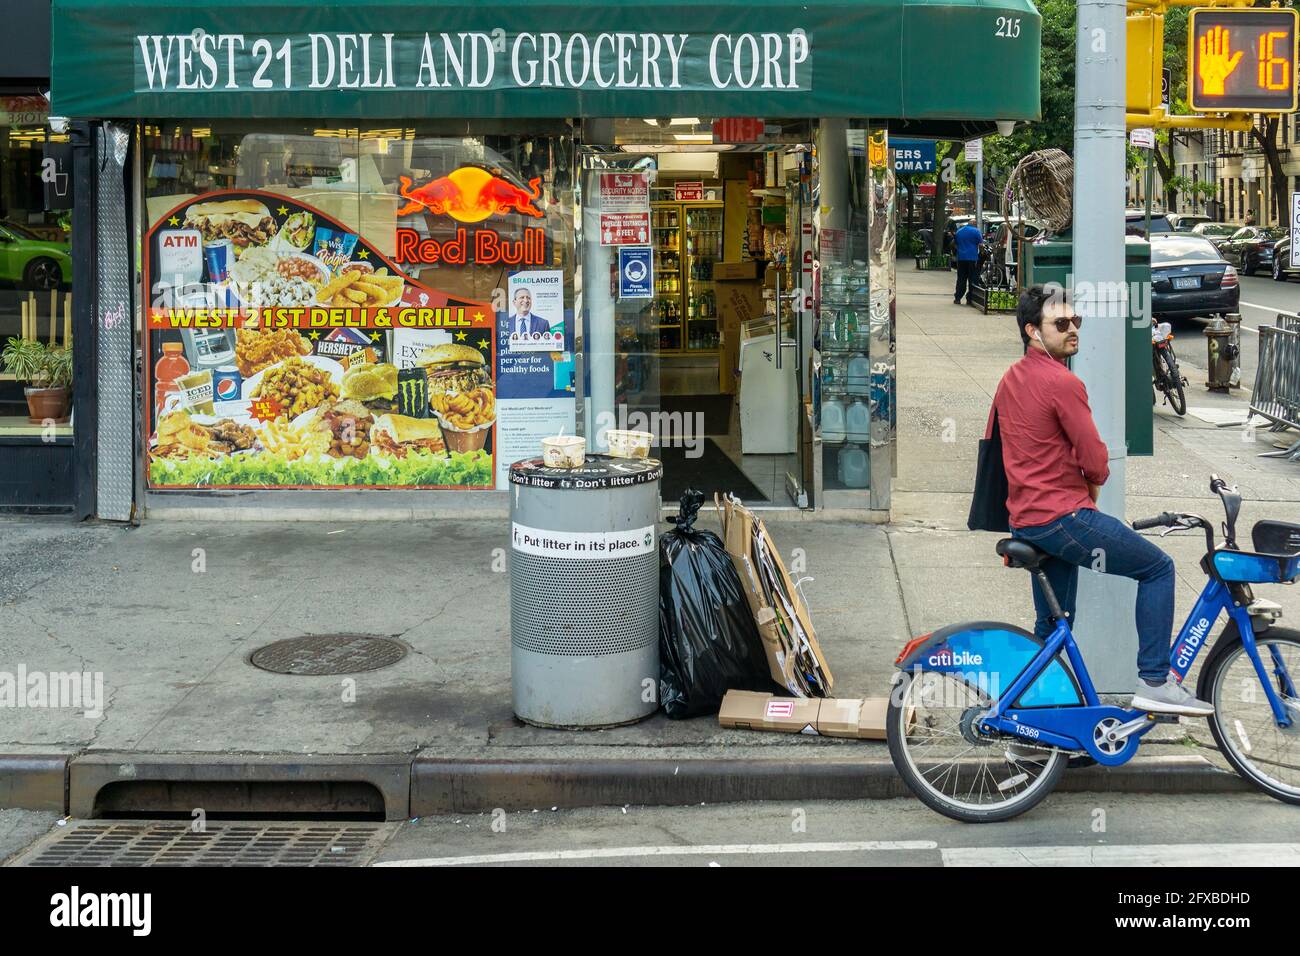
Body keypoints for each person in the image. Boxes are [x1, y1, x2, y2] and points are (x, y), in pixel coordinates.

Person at [988, 285, 1214, 717]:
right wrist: (1091, 483)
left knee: (1053, 625)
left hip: (1028, 521)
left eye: (1077, 321)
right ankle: (1154, 681)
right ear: (1033, 331)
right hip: (1063, 517)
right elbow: (1095, 457)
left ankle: (1027, 720)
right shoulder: (1062, 382)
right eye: (1061, 323)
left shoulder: (1012, 378)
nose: (1073, 329)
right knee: (1157, 568)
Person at [953, 219, 982, 305]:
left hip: (961, 258)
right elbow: (980, 244)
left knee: (961, 278)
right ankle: (970, 298)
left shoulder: (959, 231)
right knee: (972, 279)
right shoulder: (976, 231)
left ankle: (958, 297)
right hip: (972, 258)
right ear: (974, 224)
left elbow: (956, 243)